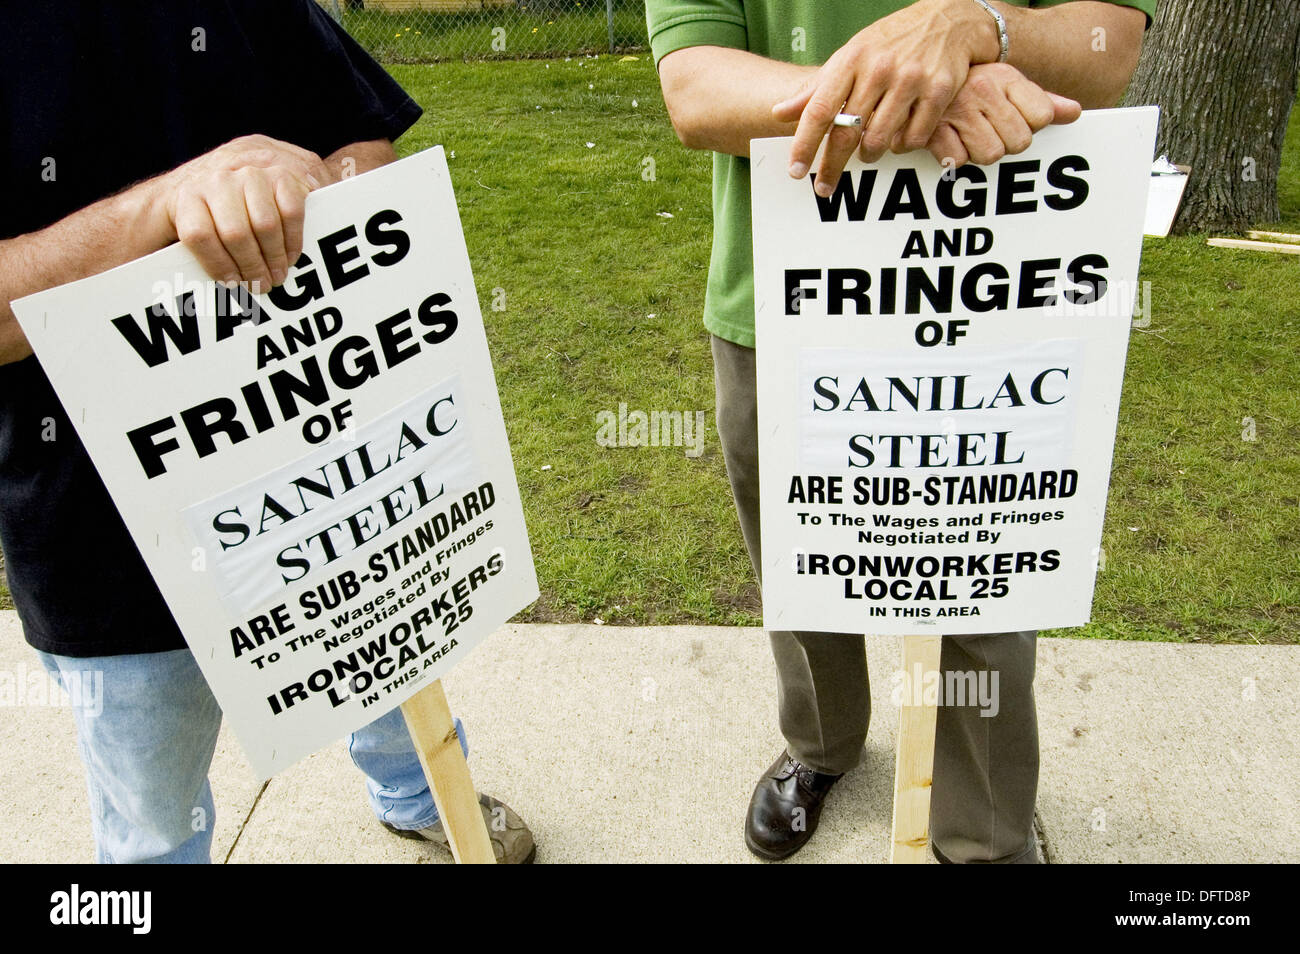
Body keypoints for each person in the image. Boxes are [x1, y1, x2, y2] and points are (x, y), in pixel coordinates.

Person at [0, 1, 534, 864]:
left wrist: (308, 188)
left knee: (386, 661)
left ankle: (418, 790)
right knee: (153, 818)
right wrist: (166, 207)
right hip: (99, 528)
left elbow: (366, 146)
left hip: (327, 470)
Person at [647, 0, 1154, 862]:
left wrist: (977, 29)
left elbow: (1109, 47)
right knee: (805, 560)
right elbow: (696, 88)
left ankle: (984, 827)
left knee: (983, 572)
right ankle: (822, 748)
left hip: (1001, 280)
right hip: (784, 298)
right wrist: (915, 97)